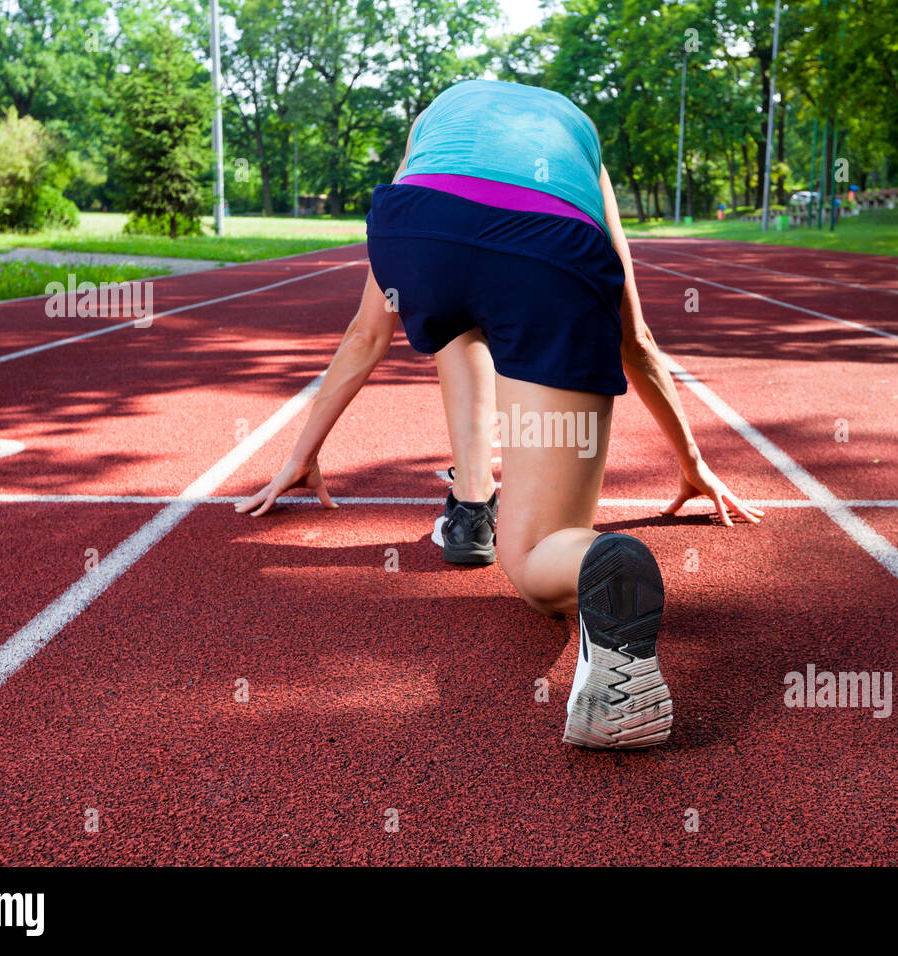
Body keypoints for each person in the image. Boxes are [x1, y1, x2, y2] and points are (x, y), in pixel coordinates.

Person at [237, 79, 760, 749]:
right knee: (537, 552)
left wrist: (301, 454)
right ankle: (591, 560)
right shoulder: (578, 137)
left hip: (420, 230)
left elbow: (367, 336)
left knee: (453, 311)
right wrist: (691, 463)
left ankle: (472, 504)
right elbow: (635, 337)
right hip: (548, 250)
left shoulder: (435, 116)